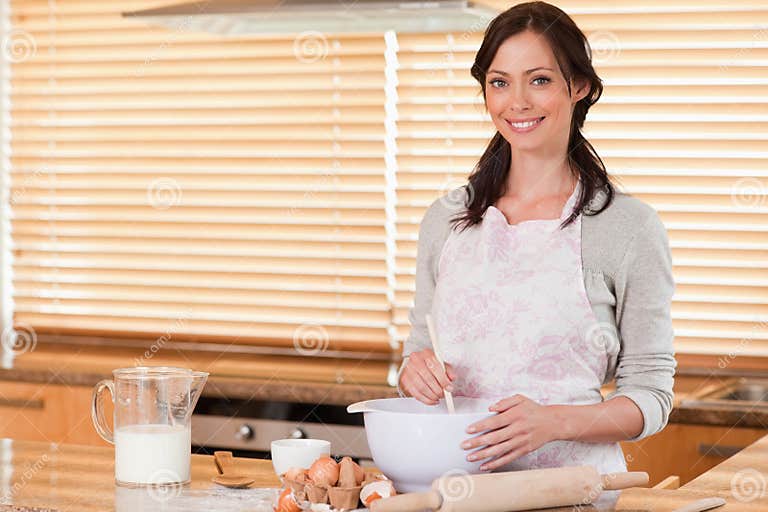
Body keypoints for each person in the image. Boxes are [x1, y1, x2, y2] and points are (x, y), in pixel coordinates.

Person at [397, 1, 676, 480]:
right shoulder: (447, 220)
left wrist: (554, 422)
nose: (517, 102)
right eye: (499, 82)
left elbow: (651, 396)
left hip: (569, 495)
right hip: (455, 490)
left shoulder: (627, 228)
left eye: (540, 79)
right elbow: (419, 353)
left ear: (579, 86)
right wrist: (412, 373)